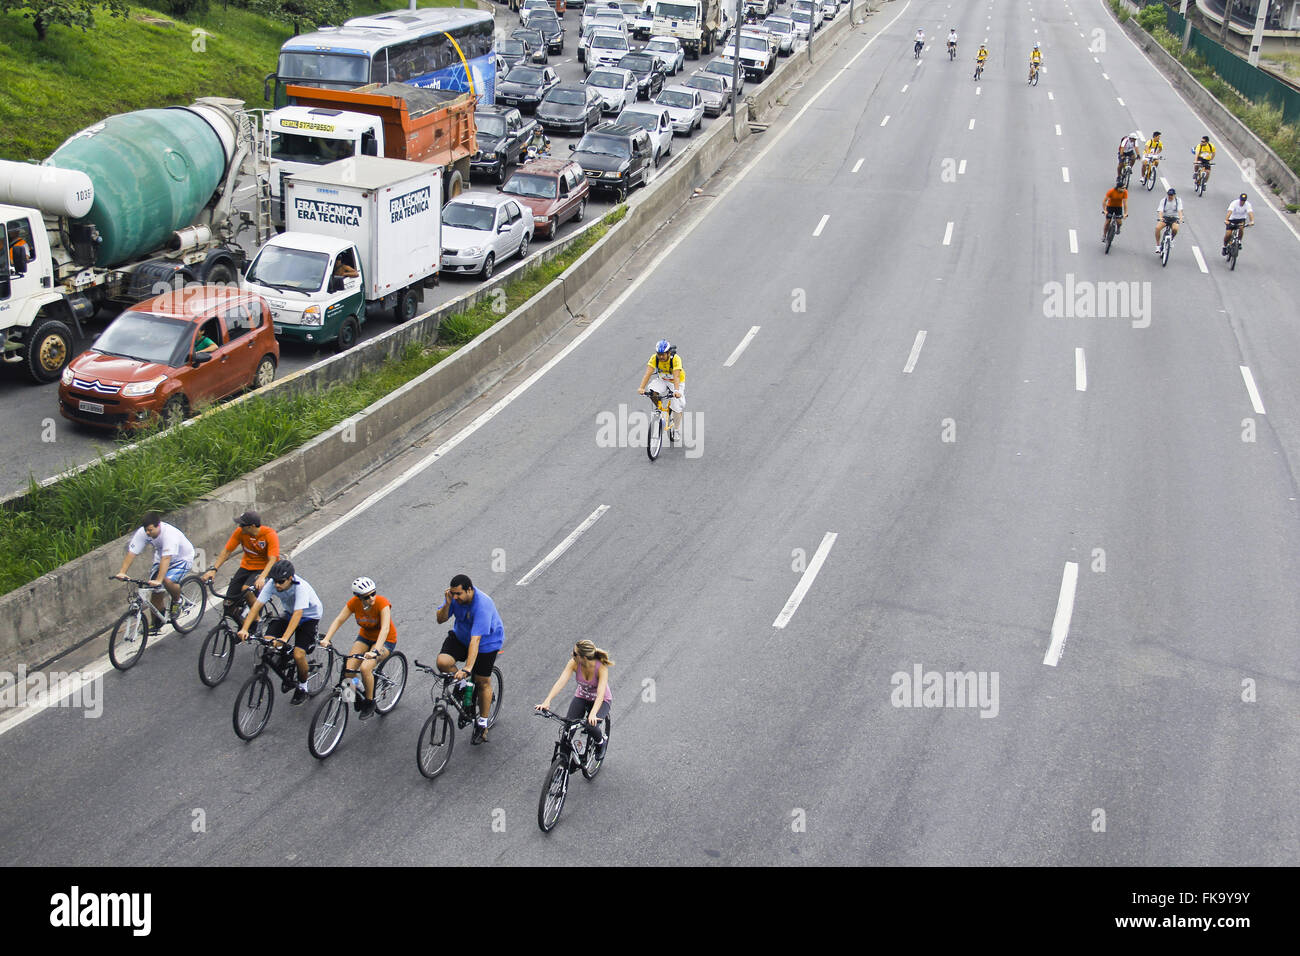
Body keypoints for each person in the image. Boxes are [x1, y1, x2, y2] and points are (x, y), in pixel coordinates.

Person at [237, 559, 323, 705]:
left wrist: (284, 638)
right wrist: (244, 628)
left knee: (298, 654)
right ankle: (285, 654)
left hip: (309, 616)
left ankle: (303, 687)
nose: (277, 585)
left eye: (281, 581)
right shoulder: (272, 584)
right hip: (289, 612)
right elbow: (257, 605)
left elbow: (298, 614)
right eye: (274, 581)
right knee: (269, 640)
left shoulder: (300, 587)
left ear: (290, 578)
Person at [435, 574, 504, 743]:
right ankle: (463, 686)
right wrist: (448, 603)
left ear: (469, 590)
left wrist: (467, 669)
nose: (455, 597)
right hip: (461, 637)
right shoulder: (454, 599)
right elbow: (440, 619)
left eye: (458, 594)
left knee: (482, 681)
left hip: (486, 643)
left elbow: (476, 640)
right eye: (453, 593)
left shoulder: (482, 605)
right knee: (443, 662)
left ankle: (482, 725)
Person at [320, 576, 396, 720]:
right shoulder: (354, 603)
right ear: (359, 597)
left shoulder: (382, 603)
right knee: (348, 670)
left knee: (365, 668)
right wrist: (326, 638)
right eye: (367, 597)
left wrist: (375, 651)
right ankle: (354, 697)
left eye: (373, 593)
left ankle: (369, 701)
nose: (372, 598)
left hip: (385, 640)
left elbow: (385, 628)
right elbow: (339, 620)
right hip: (365, 637)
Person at [114, 511, 197, 633]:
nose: (148, 533)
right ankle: (157, 623)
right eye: (146, 530)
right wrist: (122, 572)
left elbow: (167, 558)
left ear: (158, 525)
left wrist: (159, 580)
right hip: (161, 558)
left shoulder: (169, 534)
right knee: (155, 591)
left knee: (166, 580)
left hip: (182, 558)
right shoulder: (144, 532)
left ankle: (178, 600)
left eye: (150, 530)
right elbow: (132, 553)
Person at [535, 640, 614, 759]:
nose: (572, 655)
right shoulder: (574, 663)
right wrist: (547, 701)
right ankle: (563, 764)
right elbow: (561, 682)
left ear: (584, 658)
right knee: (567, 729)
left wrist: (592, 714)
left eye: (575, 653)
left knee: (591, 725)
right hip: (582, 697)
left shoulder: (601, 668)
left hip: (602, 700)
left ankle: (600, 743)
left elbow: (601, 694)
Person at [202, 511, 280, 623]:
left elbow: (272, 559)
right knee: (228, 603)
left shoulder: (269, 535)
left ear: (252, 526)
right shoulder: (240, 532)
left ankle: (257, 620)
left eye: (242, 525)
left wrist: (262, 577)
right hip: (246, 567)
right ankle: (242, 626)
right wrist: (214, 569)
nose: (239, 527)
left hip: (264, 568)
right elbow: (227, 551)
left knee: (246, 589)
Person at [638, 338, 685, 443]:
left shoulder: (676, 359)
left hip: (676, 383)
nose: (661, 357)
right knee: (652, 390)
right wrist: (641, 388)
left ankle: (676, 429)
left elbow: (676, 376)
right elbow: (648, 373)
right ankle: (660, 410)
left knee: (678, 407)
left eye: (663, 354)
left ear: (668, 353)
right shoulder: (655, 358)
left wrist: (677, 391)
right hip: (663, 380)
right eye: (659, 354)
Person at [1155, 187, 1184, 253]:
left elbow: (1180, 210)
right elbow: (1160, 210)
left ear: (1174, 195)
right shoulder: (1163, 200)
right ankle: (1158, 246)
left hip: (1174, 218)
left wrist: (1180, 219)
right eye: (1169, 195)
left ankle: (1172, 239)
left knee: (1175, 229)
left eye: (1171, 195)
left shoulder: (1178, 200)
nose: (1170, 196)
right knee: (1157, 228)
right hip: (1165, 217)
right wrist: (1160, 218)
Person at [1103, 176, 1128, 242]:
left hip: (1118, 207)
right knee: (1108, 221)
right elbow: (1104, 201)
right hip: (1110, 207)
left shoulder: (1125, 192)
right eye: (1122, 188)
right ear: (1118, 188)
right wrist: (1105, 210)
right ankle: (1104, 235)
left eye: (1124, 188)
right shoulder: (1111, 191)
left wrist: (1125, 213)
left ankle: (1118, 227)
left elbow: (1125, 203)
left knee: (1119, 221)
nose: (1124, 189)